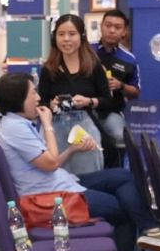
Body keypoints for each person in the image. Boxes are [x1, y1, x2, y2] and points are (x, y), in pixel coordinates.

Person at [0, 72, 160, 251]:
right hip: (49, 199)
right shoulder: (16, 128)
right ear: (17, 98)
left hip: (58, 185)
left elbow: (46, 164)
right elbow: (50, 163)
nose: (38, 98)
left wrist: (71, 150)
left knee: (121, 176)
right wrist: (48, 125)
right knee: (124, 213)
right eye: (33, 93)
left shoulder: (18, 124)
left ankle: (150, 229)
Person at [38, 14, 109, 176]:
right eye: (61, 34)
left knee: (89, 177)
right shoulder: (49, 69)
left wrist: (88, 101)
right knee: (58, 178)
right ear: (54, 37)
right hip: (55, 129)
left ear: (81, 36)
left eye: (72, 34)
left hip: (85, 127)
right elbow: (40, 103)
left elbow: (107, 100)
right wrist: (51, 105)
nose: (66, 39)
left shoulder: (93, 65)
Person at [94, 9, 142, 161]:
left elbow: (135, 92)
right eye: (108, 25)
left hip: (112, 111)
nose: (112, 30)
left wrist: (120, 86)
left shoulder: (129, 59)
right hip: (85, 110)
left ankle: (118, 172)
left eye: (117, 27)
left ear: (124, 32)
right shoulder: (86, 50)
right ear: (101, 26)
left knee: (121, 137)